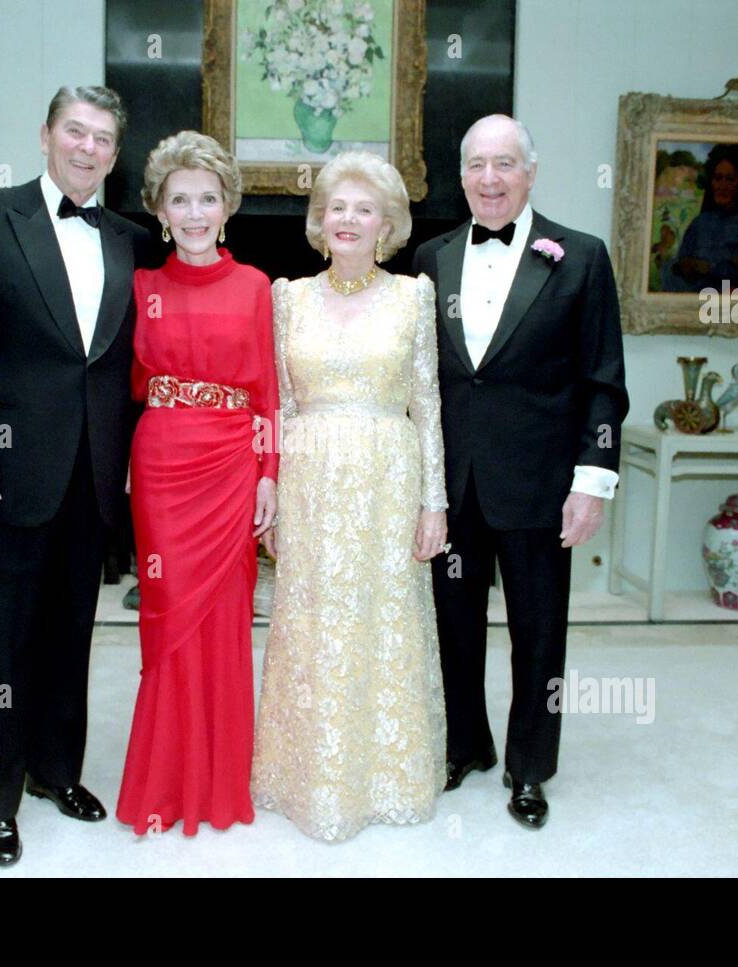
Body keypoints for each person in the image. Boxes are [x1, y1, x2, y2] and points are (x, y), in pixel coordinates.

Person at [0, 85, 149, 866]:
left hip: (92, 478)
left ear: (115, 156)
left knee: (69, 635)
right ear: (47, 134)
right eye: (75, 132)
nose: (88, 149)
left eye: (103, 140)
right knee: (0, 642)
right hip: (5, 468)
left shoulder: (129, 237)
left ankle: (57, 771)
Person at [412, 115, 628, 830]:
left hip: (541, 485)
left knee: (540, 634)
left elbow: (603, 381)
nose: (491, 178)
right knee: (452, 625)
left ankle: (530, 766)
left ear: (531, 172)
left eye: (505, 163)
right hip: (454, 484)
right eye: (477, 163)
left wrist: (592, 478)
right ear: (462, 172)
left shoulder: (583, 257)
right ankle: (464, 745)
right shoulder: (429, 257)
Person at [252, 150, 449, 842]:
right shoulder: (288, 296)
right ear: (319, 218)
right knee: (310, 623)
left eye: (365, 208)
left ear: (387, 224)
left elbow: (426, 401)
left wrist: (436, 502)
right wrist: (266, 482)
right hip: (307, 482)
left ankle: (384, 776)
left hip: (387, 481)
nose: (348, 218)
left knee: (382, 620)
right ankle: (302, 775)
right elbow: (274, 402)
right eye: (337, 206)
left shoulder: (412, 295)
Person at [116, 131, 278, 836]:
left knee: (226, 618)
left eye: (206, 197)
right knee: (168, 617)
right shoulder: (142, 288)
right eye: (179, 199)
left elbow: (270, 393)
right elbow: (124, 384)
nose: (193, 211)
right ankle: (166, 780)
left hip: (233, 465)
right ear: (159, 209)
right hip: (162, 464)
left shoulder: (257, 287)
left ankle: (219, 779)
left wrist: (270, 472)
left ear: (227, 206)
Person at [660, 147, 738, 292]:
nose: (723, 185)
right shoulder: (699, 223)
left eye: (730, 179)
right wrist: (684, 267)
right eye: (718, 178)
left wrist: (709, 268)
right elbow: (681, 264)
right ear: (712, 183)